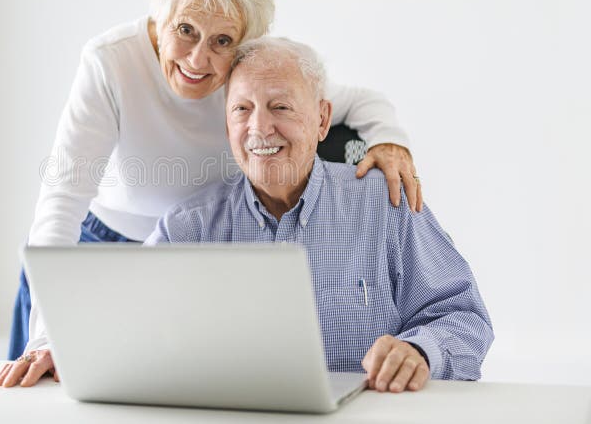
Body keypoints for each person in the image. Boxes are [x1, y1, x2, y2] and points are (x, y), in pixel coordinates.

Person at [0, 0, 423, 388]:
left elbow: (361, 102)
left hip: (194, 252)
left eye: (222, 40)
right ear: (160, 19)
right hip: (100, 248)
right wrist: (47, 334)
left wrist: (392, 143)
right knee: (41, 390)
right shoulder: (110, 63)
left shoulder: (246, 73)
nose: (198, 59)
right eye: (185, 31)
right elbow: (61, 200)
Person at [145, 37, 493, 392]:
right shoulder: (186, 229)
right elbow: (131, 332)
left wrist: (419, 351)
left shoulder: (385, 203)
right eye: (242, 109)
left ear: (323, 119)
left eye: (280, 107)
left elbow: (464, 317)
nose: (260, 128)